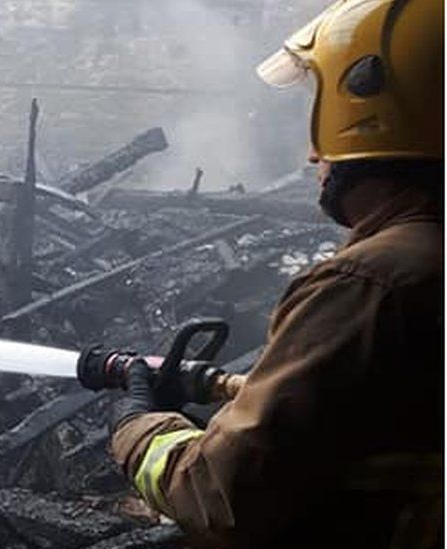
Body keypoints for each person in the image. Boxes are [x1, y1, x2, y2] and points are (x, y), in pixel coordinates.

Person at [84, 0, 444, 546]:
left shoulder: (369, 287)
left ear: (366, 107)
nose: (310, 157)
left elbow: (224, 494)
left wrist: (140, 428)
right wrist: (237, 392)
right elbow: (374, 414)